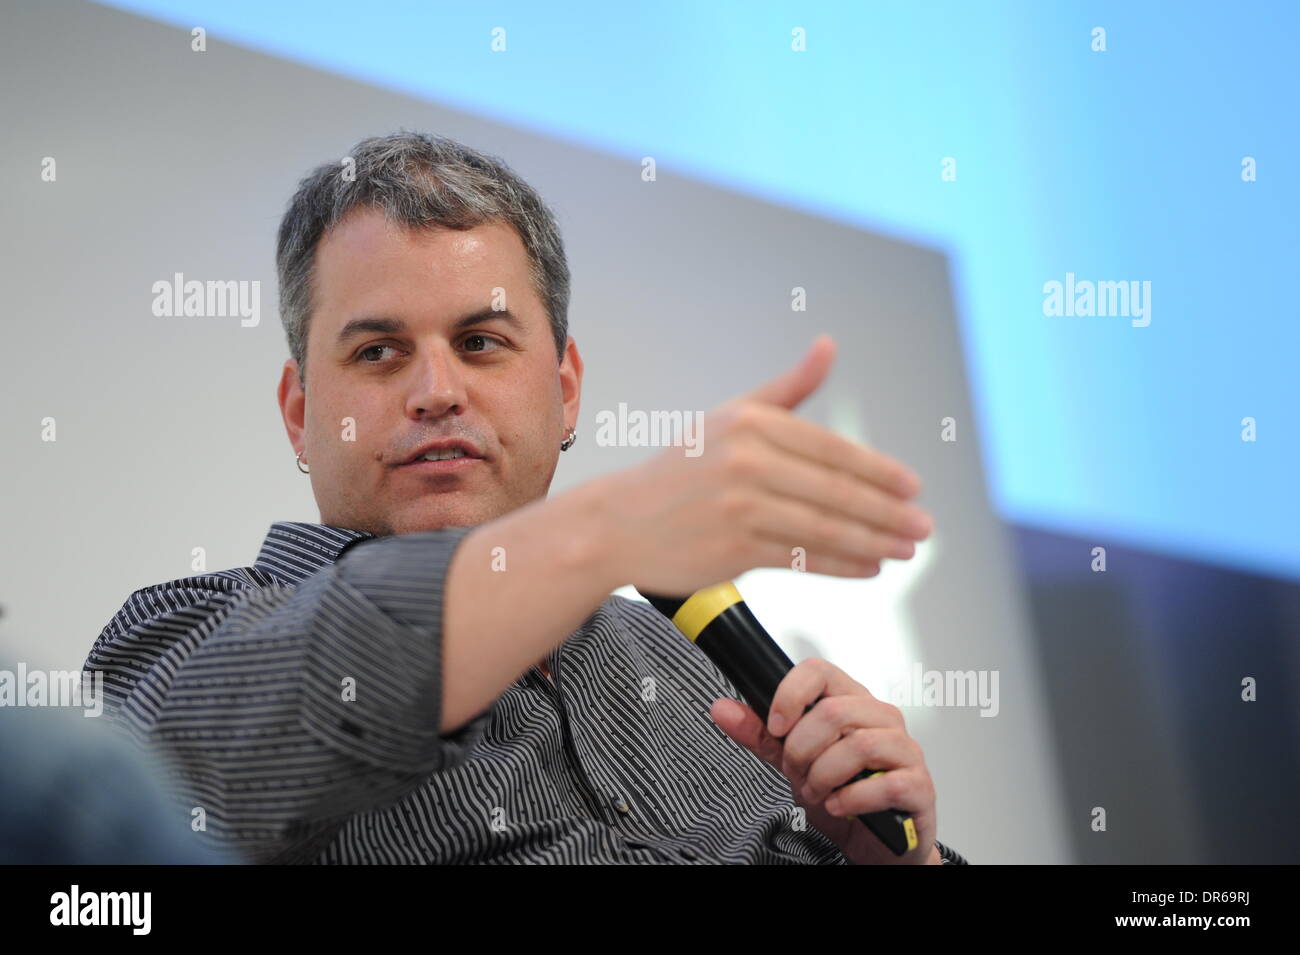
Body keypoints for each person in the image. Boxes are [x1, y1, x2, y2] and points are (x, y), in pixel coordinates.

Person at [86, 131, 967, 865]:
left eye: (480, 341)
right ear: (300, 413)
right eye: (378, 353)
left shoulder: (697, 668)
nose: (435, 389)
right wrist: (610, 525)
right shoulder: (182, 636)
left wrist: (889, 860)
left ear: (566, 387)